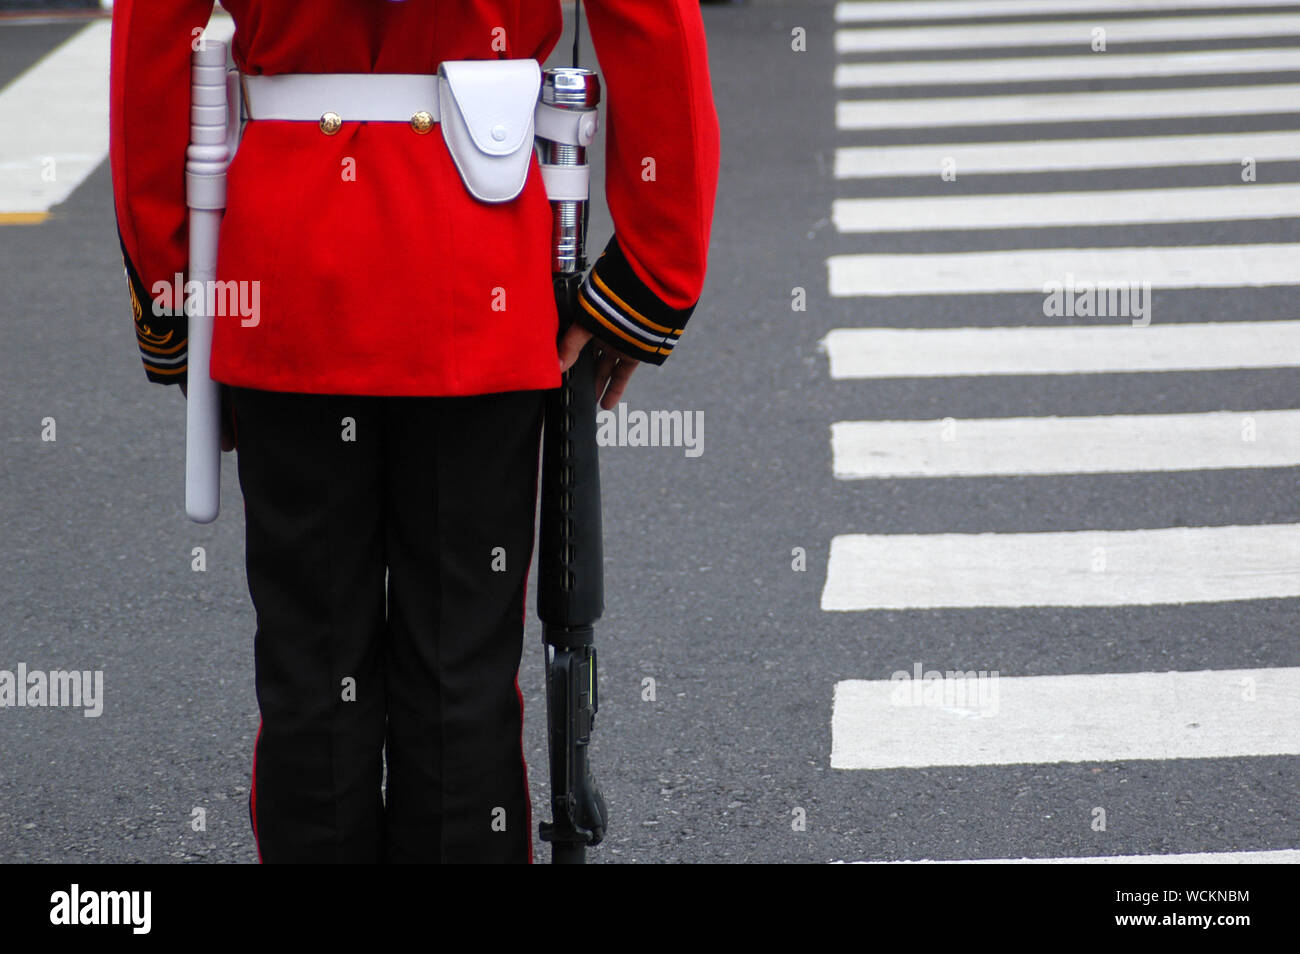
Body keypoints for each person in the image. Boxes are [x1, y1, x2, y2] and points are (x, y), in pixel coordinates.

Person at [110, 0, 720, 863]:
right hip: (479, 258)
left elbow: (152, 37)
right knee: (461, 678)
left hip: (289, 260)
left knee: (311, 677)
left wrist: (175, 285)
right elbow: (651, 19)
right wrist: (651, 269)